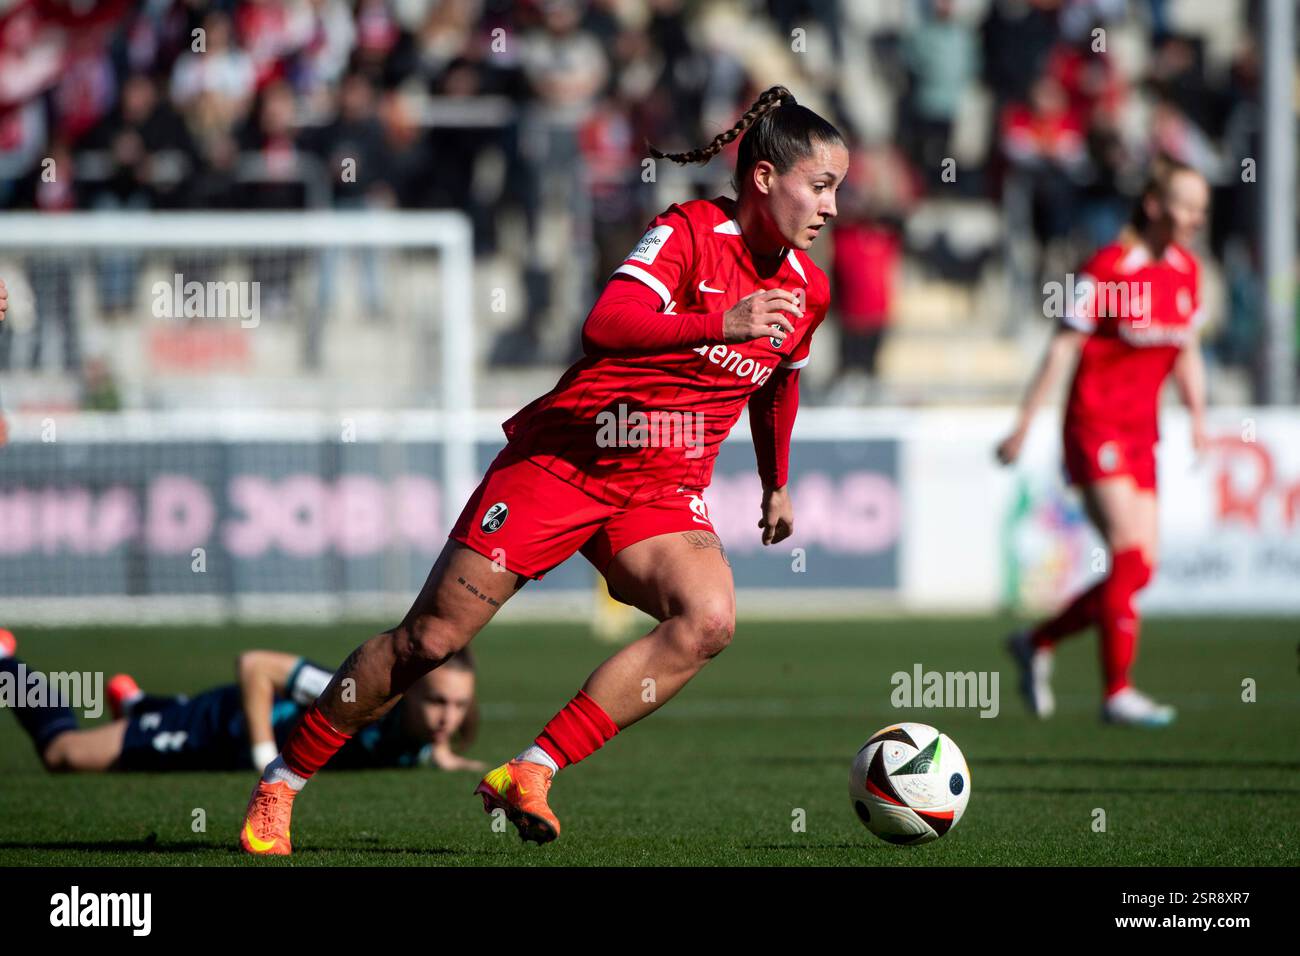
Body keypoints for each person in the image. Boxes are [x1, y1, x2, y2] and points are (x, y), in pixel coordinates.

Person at [239, 84, 848, 853]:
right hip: (565, 460)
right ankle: (281, 784)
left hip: (660, 490)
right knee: (427, 641)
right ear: (764, 179)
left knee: (710, 620)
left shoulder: (808, 290)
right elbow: (604, 325)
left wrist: (775, 479)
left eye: (838, 191)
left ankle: (529, 770)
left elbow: (779, 383)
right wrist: (717, 321)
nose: (831, 207)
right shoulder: (691, 231)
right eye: (821, 186)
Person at [997, 157, 1209, 727]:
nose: (1196, 218)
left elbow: (1185, 349)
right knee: (1127, 553)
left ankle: (1036, 641)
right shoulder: (1109, 269)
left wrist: (1201, 418)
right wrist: (1024, 423)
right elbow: (1062, 347)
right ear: (1155, 205)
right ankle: (1117, 692)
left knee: (1141, 568)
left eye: (1202, 209)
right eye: (1187, 206)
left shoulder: (1188, 271)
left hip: (1144, 432)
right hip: (1094, 425)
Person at [0, 631, 482, 775]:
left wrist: (448, 758)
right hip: (219, 725)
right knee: (62, 755)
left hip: (222, 741)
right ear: (407, 690)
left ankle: (140, 705)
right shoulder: (357, 694)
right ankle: (6, 662)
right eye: (438, 702)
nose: (448, 718)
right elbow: (255, 665)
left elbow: (432, 740)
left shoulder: (425, 736)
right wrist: (262, 756)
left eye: (459, 707)